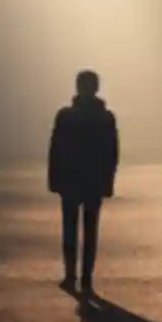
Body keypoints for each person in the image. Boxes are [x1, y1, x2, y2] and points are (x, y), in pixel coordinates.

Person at [48, 69, 119, 295]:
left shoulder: (65, 116)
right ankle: (86, 278)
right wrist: (108, 181)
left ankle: (70, 276)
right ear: (97, 88)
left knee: (70, 228)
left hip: (70, 179)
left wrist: (54, 178)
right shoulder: (106, 117)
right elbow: (112, 154)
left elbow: (55, 150)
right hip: (94, 181)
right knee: (90, 230)